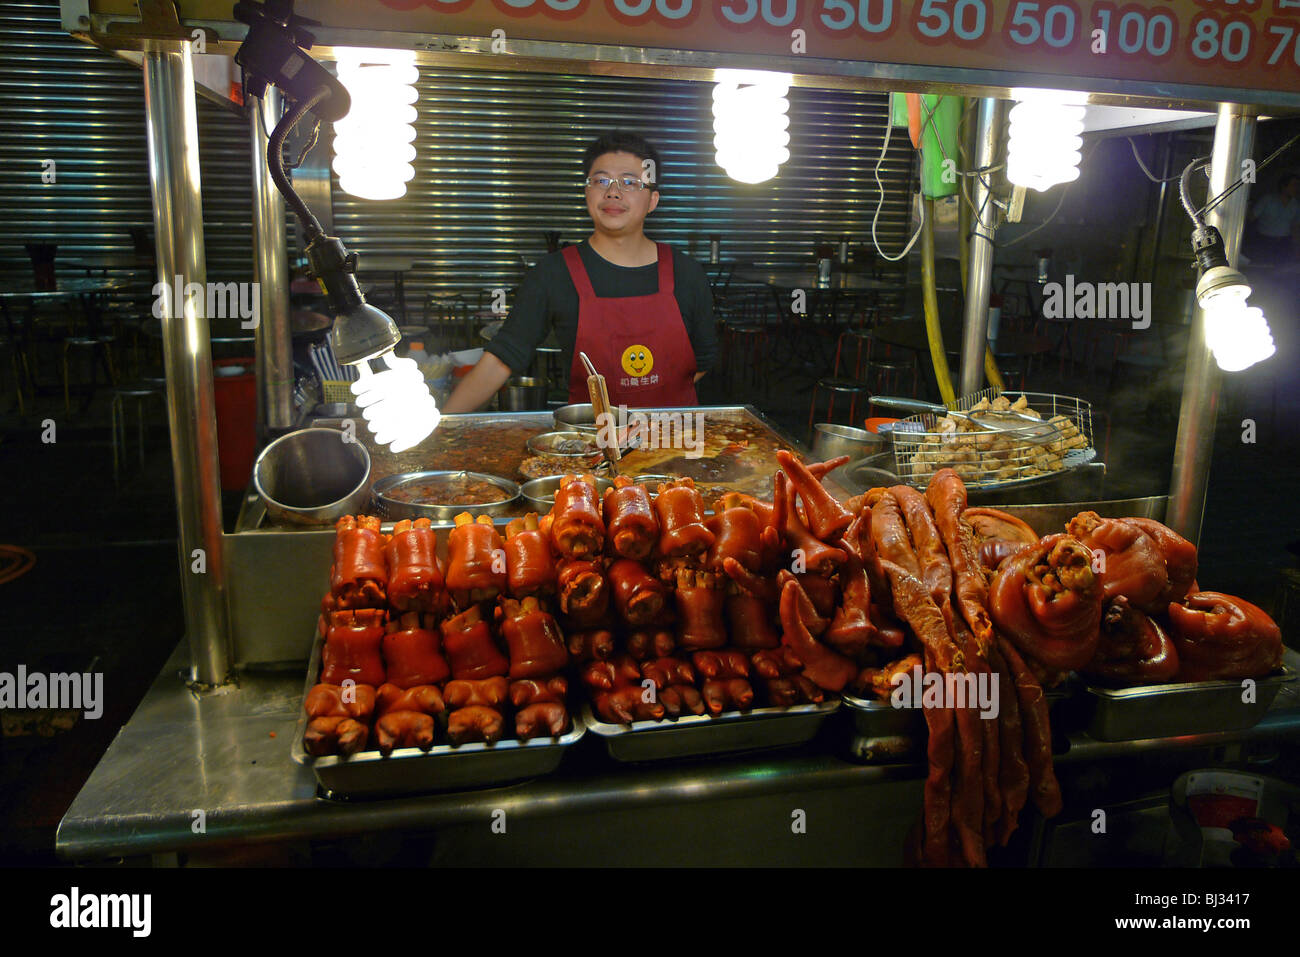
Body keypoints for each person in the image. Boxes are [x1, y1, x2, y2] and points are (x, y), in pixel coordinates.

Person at [442, 130, 716, 413]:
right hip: (589, 444)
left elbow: (703, 360)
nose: (613, 191)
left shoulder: (687, 273)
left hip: (673, 440)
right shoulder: (552, 274)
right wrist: (438, 433)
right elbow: (500, 361)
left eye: (630, 182)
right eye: (601, 180)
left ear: (652, 200)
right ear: (587, 193)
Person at [1244, 173, 1300, 265]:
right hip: (1265, 242)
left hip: (1284, 243)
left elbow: (1295, 227)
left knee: (1282, 270)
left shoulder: (1296, 205)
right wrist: (1245, 205)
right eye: (1294, 185)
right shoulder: (1267, 200)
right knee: (1264, 269)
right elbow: (1251, 217)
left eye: (1298, 185)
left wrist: (1296, 247)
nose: (1297, 189)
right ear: (1284, 186)